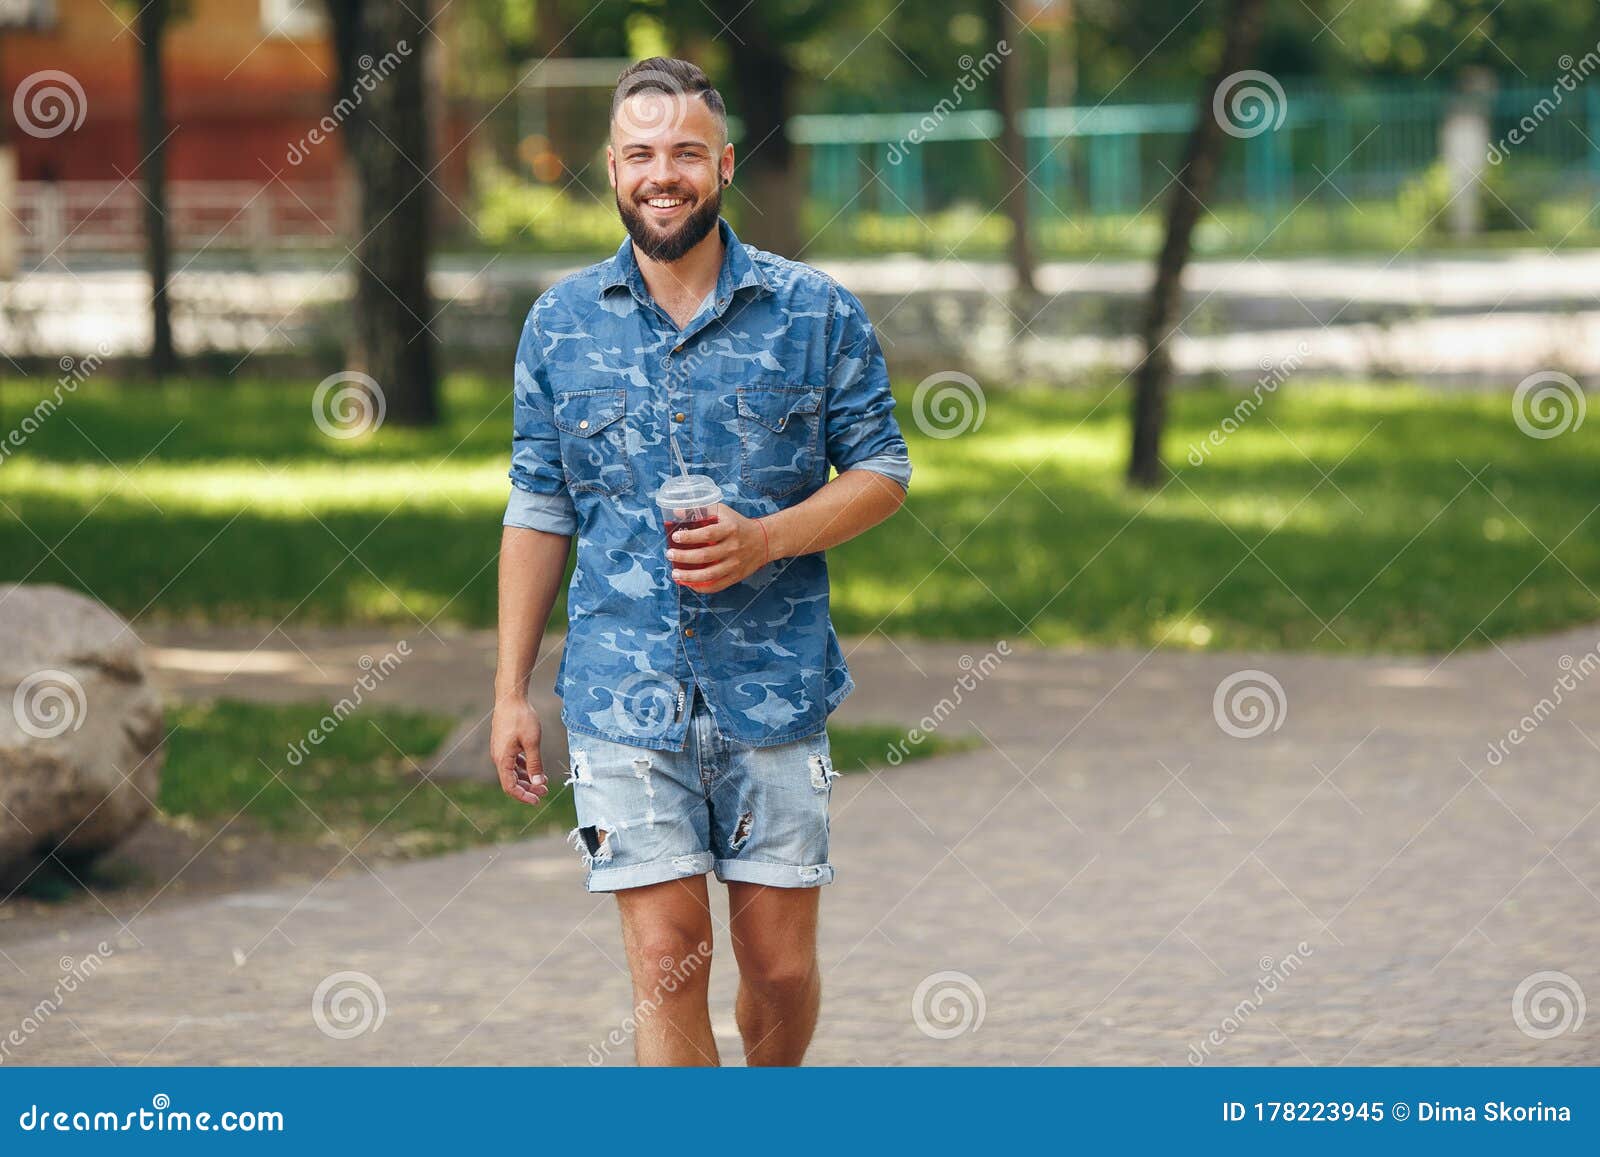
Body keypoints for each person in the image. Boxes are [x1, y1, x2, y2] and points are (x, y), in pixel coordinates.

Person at [490, 57, 911, 1066]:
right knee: (664, 953)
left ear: (722, 163)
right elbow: (538, 503)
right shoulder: (559, 322)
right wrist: (509, 689)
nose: (661, 172)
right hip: (617, 692)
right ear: (612, 169)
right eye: (640, 153)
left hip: (774, 688)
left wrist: (766, 537)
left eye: (684, 151)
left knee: (775, 967)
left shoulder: (812, 311)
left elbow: (883, 471)